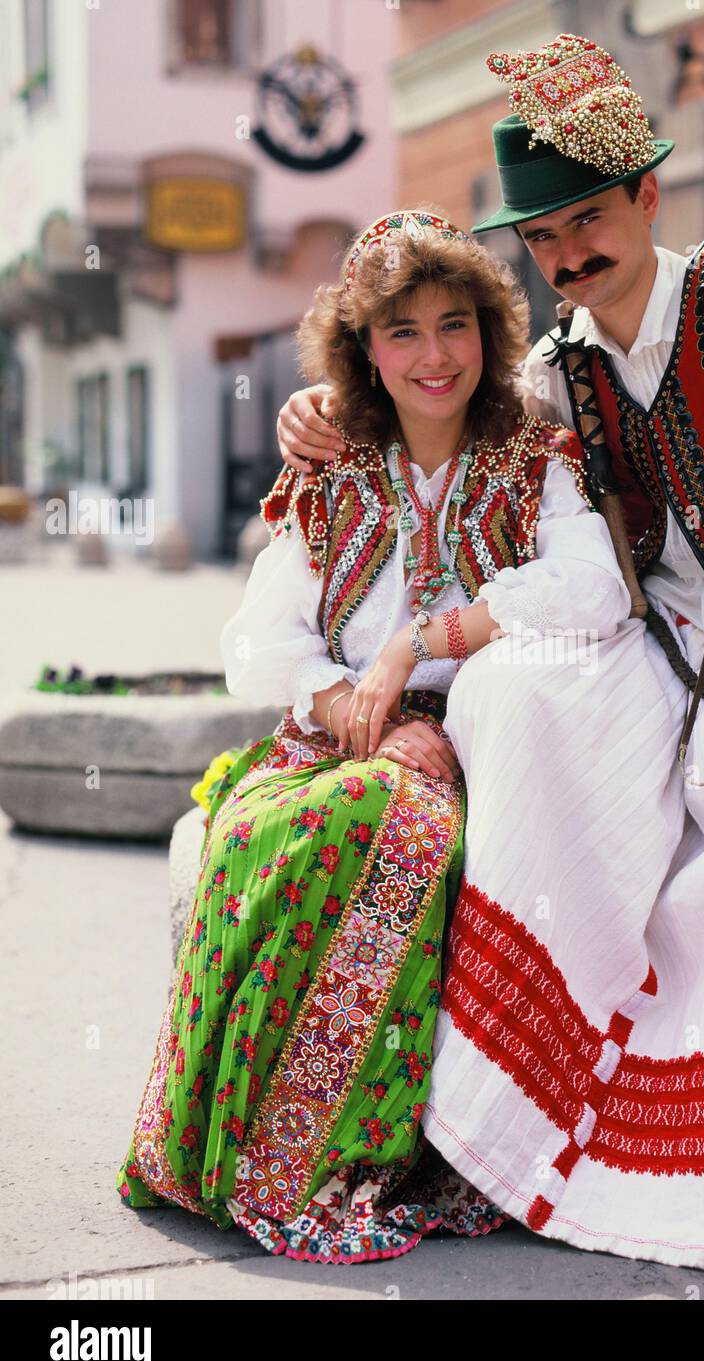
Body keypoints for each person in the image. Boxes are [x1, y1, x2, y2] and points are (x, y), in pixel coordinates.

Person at [273, 35, 704, 1279]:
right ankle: (520, 1104)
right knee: (510, 687)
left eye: (588, 217)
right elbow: (437, 397)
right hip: (659, 663)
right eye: (544, 235)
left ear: (646, 196)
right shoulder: (558, 365)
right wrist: (314, 411)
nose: (569, 252)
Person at [115, 206, 640, 1264]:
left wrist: (426, 643)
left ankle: (367, 1152)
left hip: (489, 745)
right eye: (401, 332)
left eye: (455, 323)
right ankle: (249, 1147)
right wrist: (350, 707)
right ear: (363, 350)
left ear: (490, 331)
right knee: (304, 825)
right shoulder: (332, 471)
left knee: (400, 822)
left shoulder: (533, 460)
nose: (433, 355)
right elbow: (257, 646)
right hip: (337, 739)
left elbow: (593, 590)